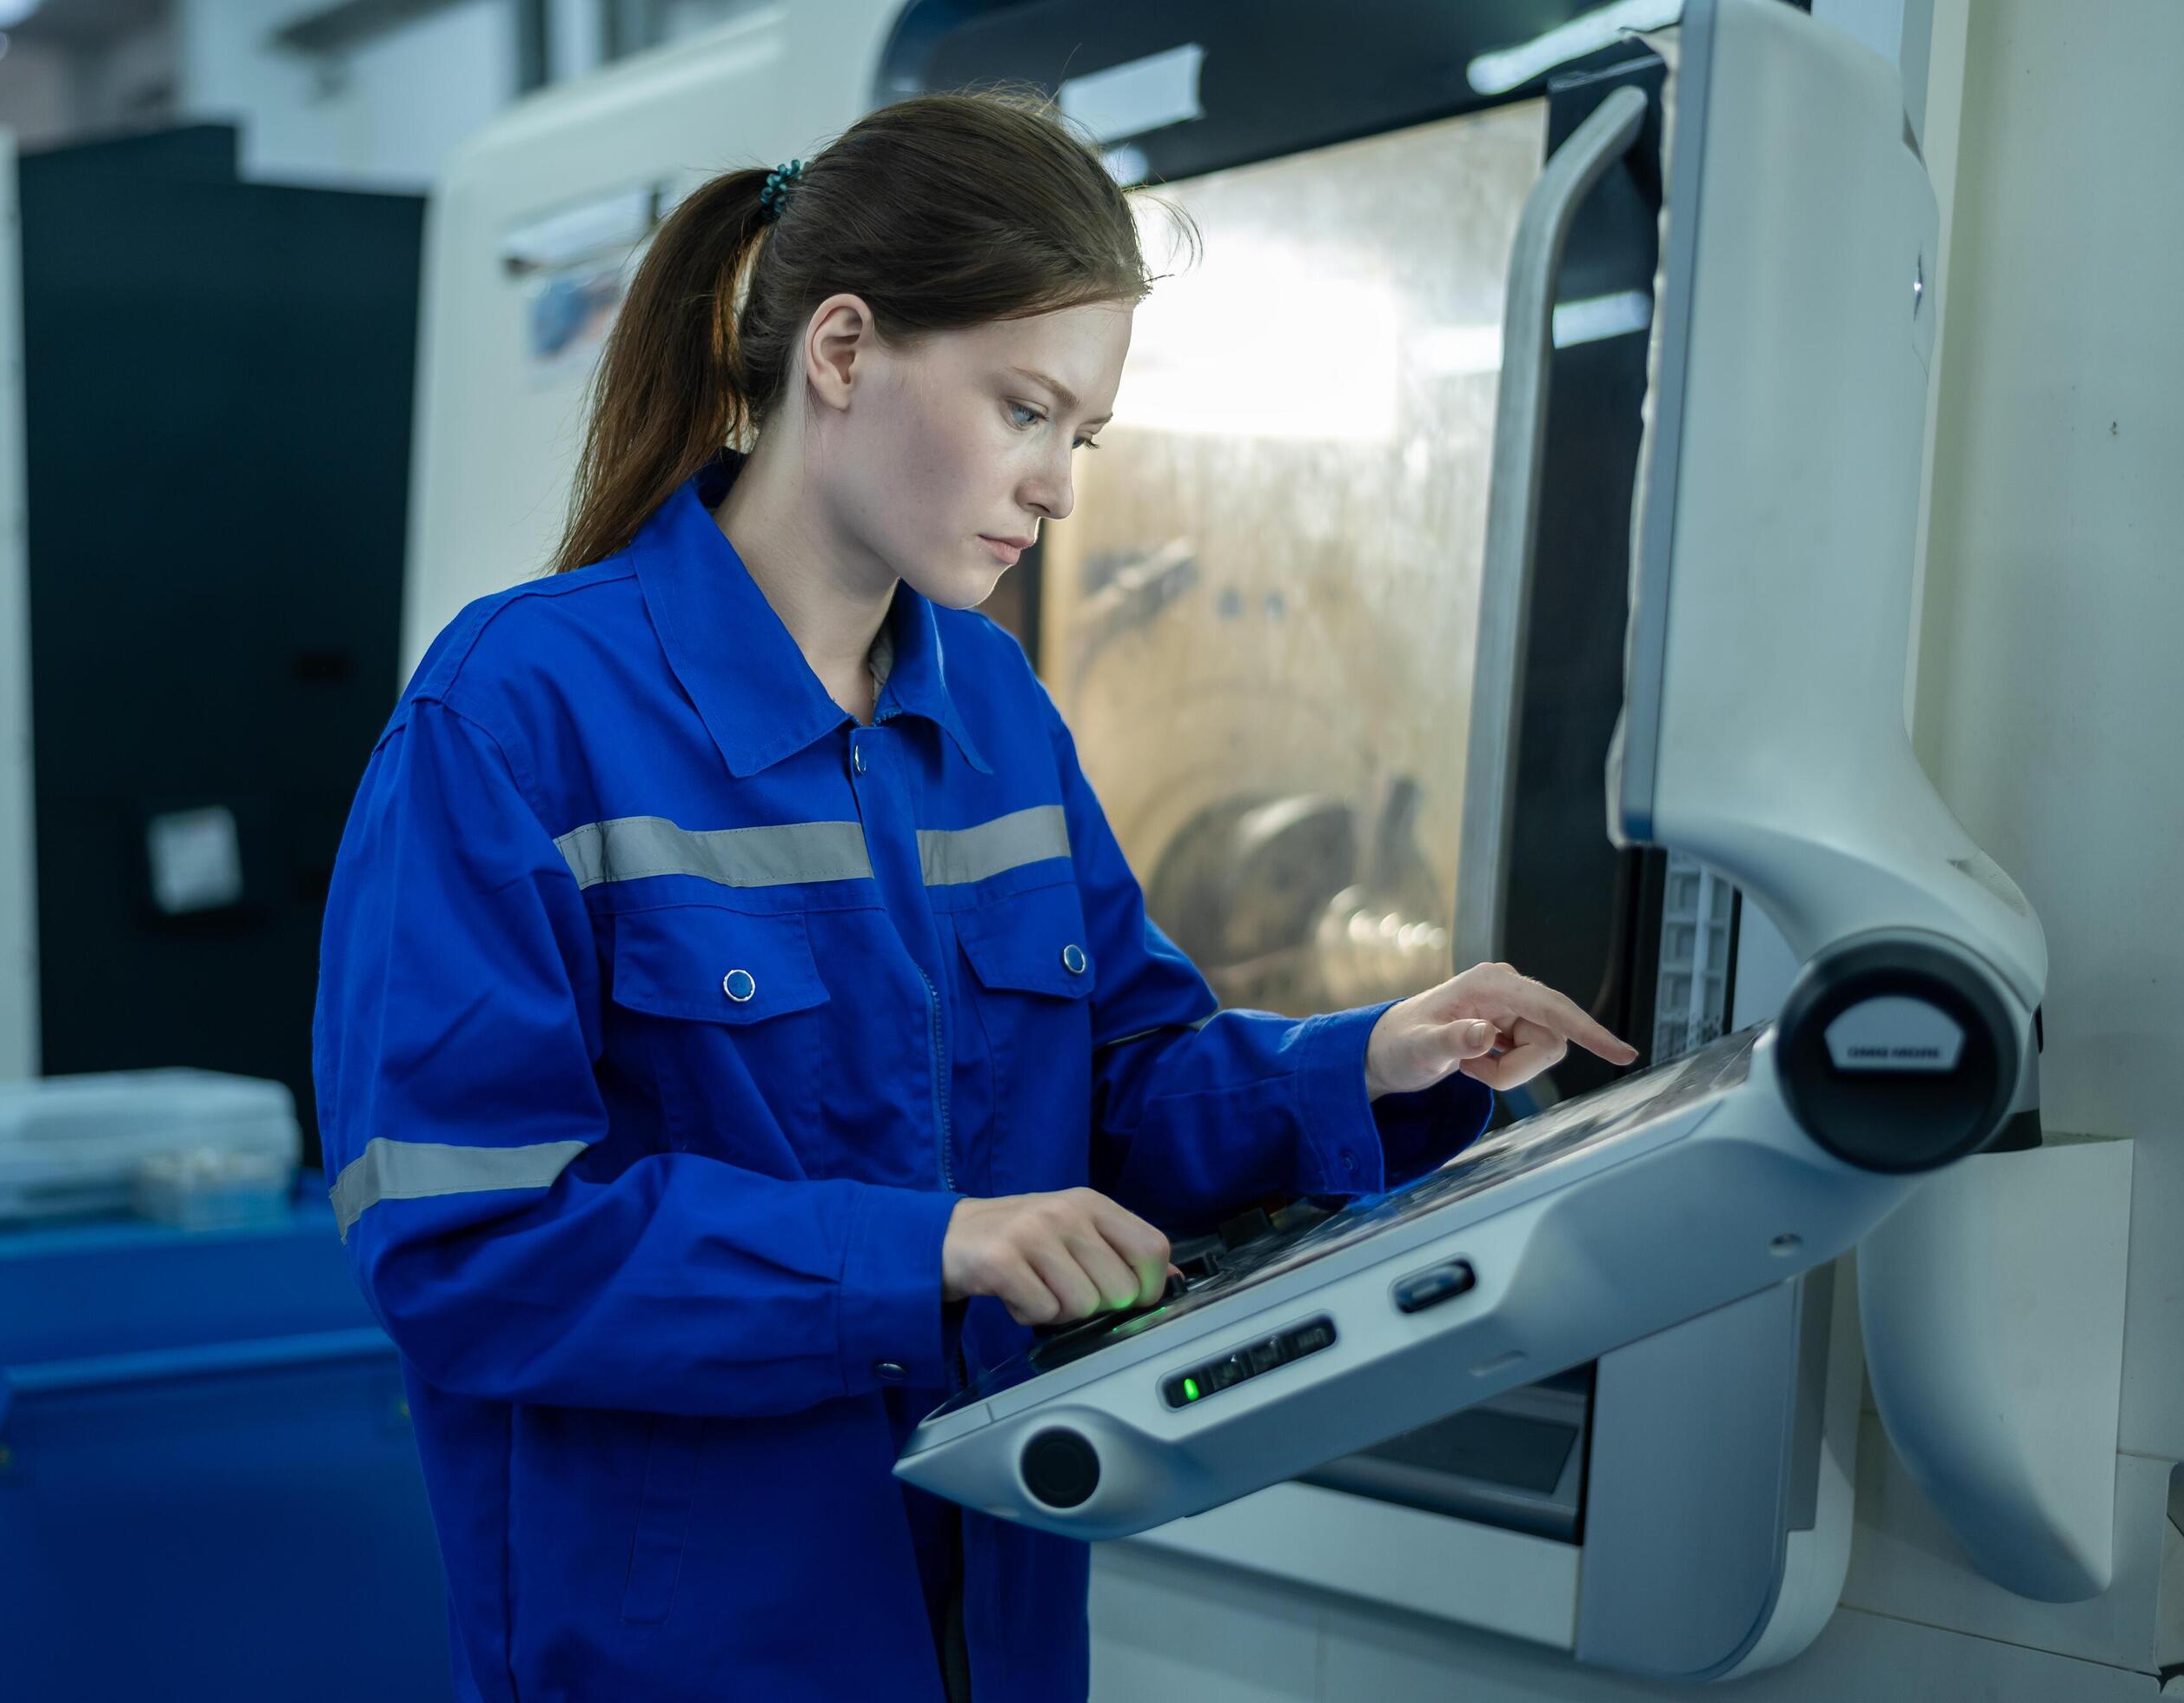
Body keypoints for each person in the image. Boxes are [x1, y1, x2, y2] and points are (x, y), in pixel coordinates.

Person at [314, 89, 1634, 1703]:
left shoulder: (993, 712)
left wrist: (1364, 1063)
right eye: (1024, 409)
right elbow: (467, 1245)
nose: (1062, 487)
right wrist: (920, 1249)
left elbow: (1118, 1087)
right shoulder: (515, 717)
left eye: (1080, 435)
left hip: (995, 1636)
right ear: (845, 352)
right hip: (688, 1653)